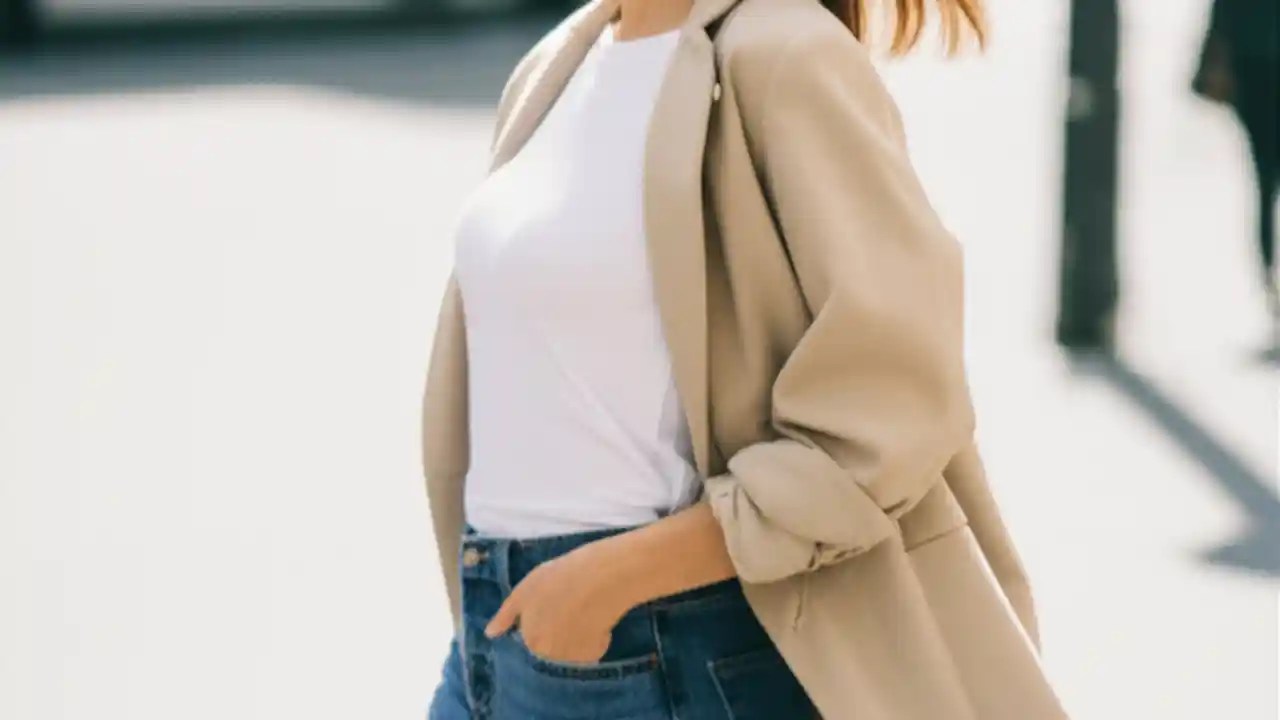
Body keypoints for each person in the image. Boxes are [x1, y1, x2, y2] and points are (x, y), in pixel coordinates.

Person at [420, 0, 1069, 717]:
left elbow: (894, 405)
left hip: (659, 648)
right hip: (495, 633)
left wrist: (612, 579)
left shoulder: (785, 54)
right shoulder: (559, 62)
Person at [1194, 0, 1279, 316]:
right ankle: (1268, 272)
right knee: (1265, 180)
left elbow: (1222, 19)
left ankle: (1268, 272)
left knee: (1264, 181)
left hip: (1251, 73)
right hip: (1256, 72)